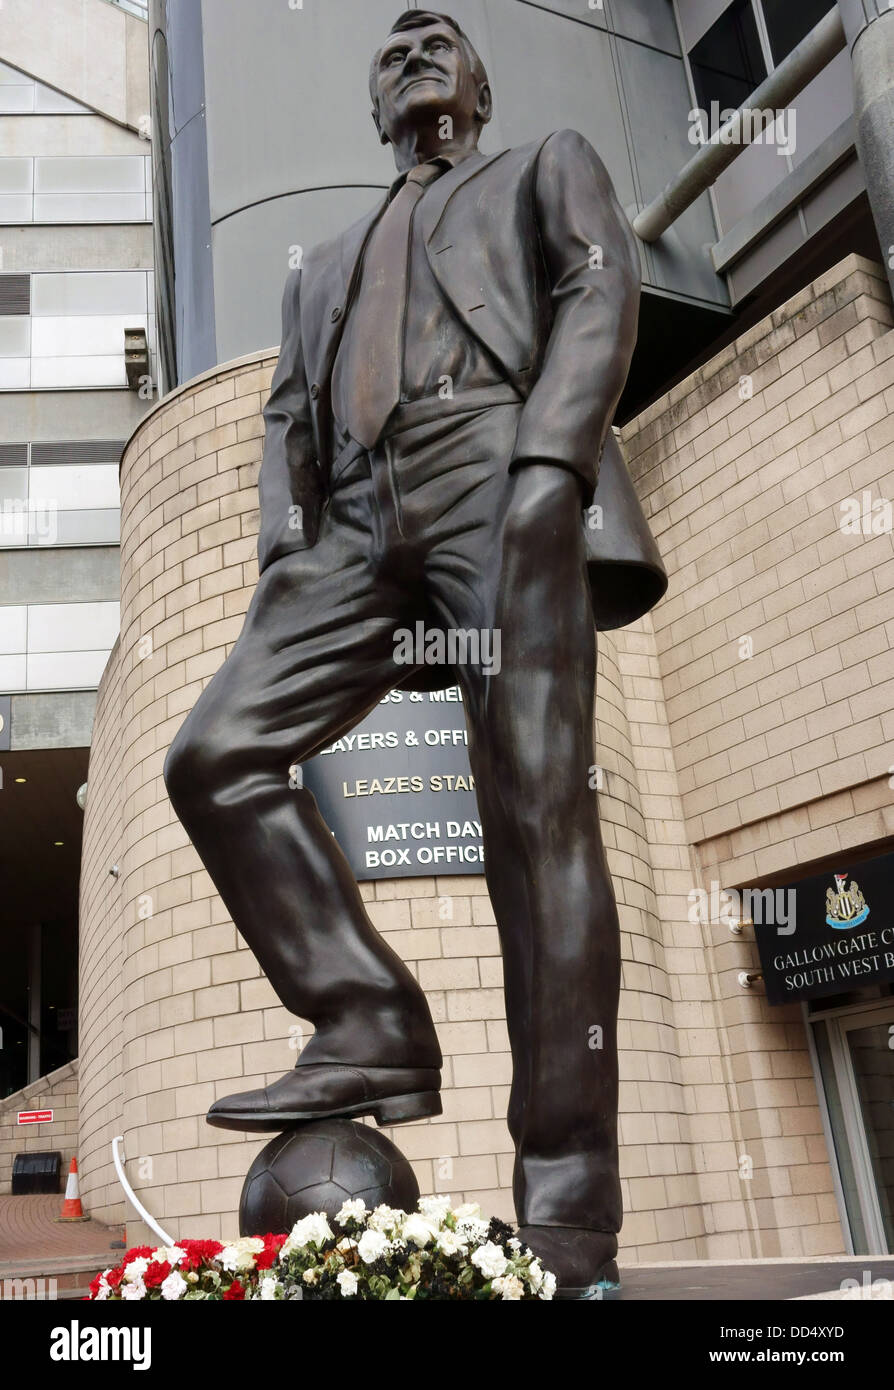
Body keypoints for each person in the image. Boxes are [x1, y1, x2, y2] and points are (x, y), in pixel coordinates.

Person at [164, 8, 664, 1297]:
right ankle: (369, 1017)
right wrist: (289, 557)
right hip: (349, 523)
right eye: (389, 51)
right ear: (372, 108)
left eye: (437, 41)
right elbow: (286, 415)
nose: (410, 52)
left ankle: (566, 1215)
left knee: (537, 816)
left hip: (490, 463)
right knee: (214, 755)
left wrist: (552, 465)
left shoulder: (543, 163)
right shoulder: (321, 259)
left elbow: (600, 288)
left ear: (478, 88)